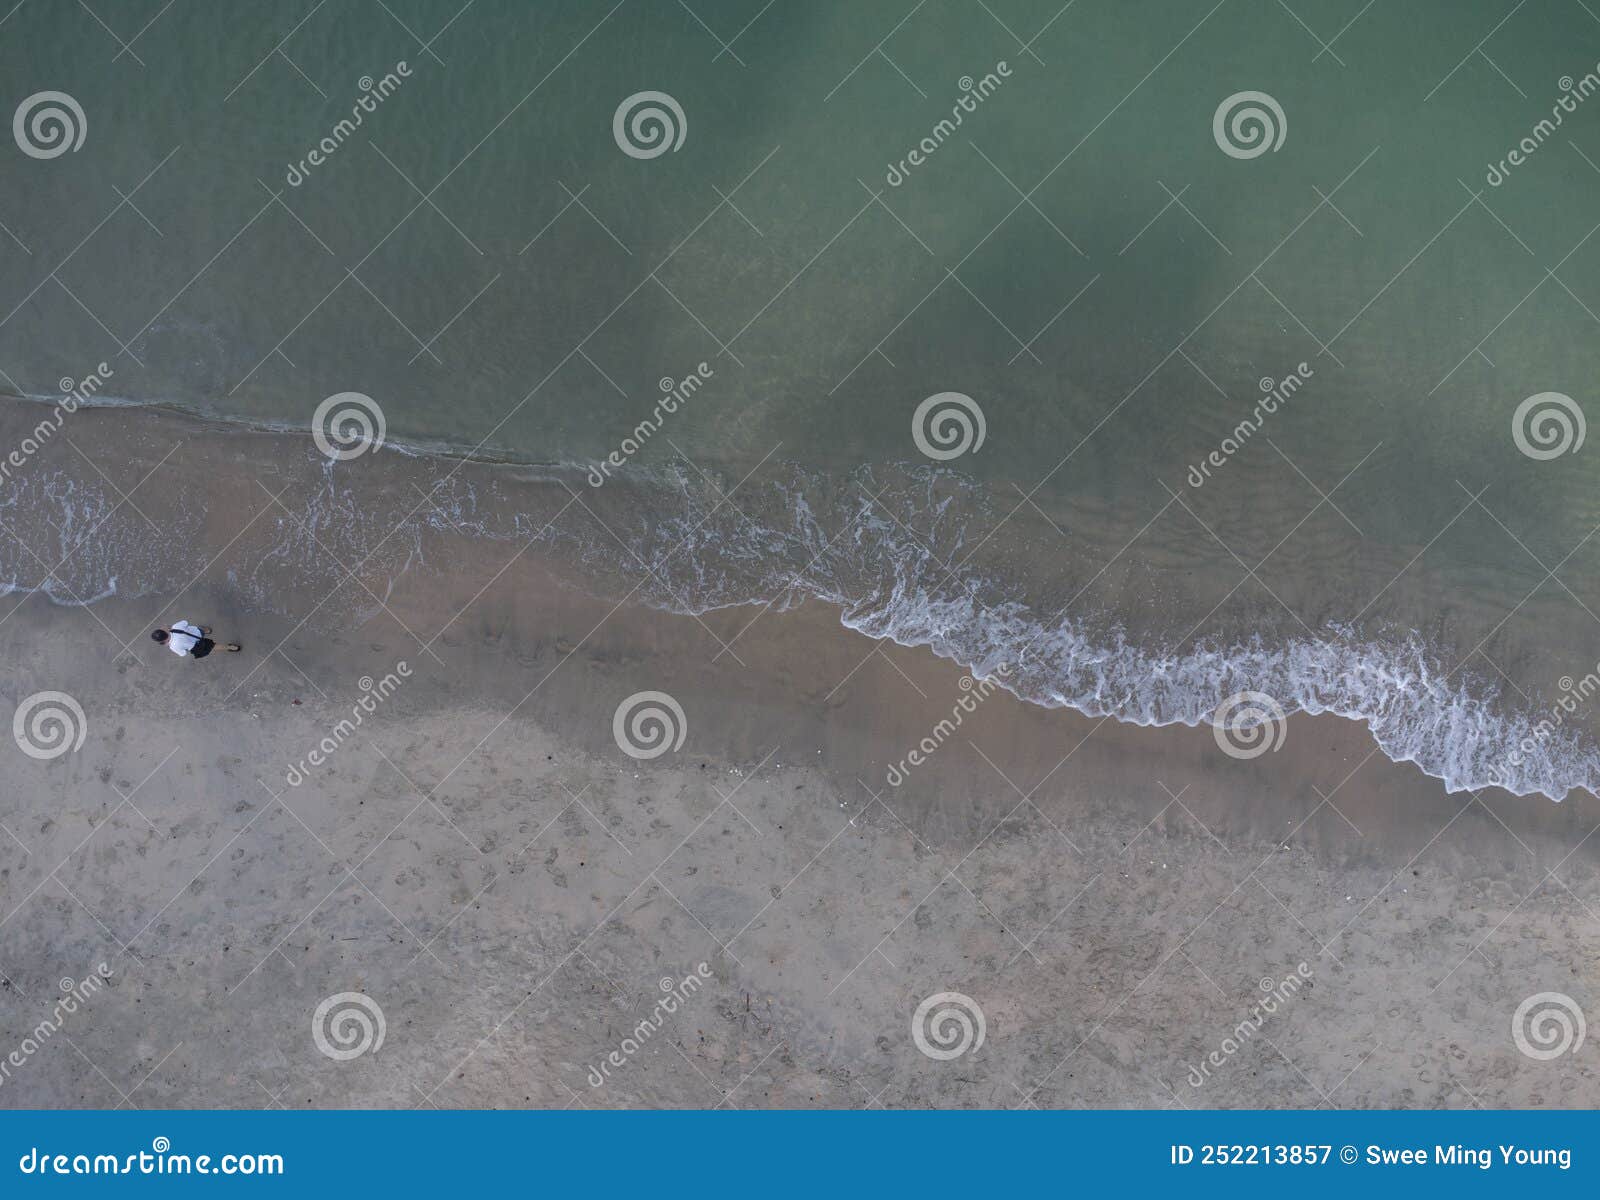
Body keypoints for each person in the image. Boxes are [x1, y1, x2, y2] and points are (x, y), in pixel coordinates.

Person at [151, 620, 241, 659]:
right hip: (197, 633)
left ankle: (233, 648)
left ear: (162, 641)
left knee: (214, 647)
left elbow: (183, 654)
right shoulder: (176, 627)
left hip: (198, 645)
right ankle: (208, 630)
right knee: (202, 630)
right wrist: (170, 627)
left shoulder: (173, 646)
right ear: (164, 631)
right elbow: (185, 622)